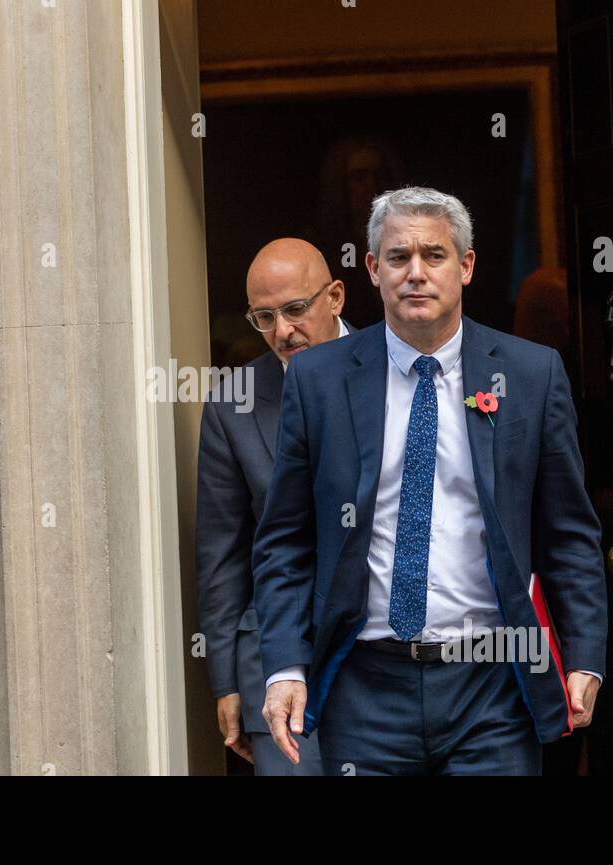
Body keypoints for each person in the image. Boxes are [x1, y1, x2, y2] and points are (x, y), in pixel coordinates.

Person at [254, 188, 607, 775]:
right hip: (365, 688)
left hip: (494, 687)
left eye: (434, 256)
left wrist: (586, 656)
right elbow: (285, 540)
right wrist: (285, 666)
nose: (415, 273)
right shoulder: (318, 380)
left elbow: (568, 531)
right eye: (397, 257)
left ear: (466, 266)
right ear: (372, 269)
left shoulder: (530, 373)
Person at [196, 238, 350, 775]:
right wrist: (226, 680)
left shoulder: (396, 367)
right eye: (264, 317)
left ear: (335, 296)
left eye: (295, 309)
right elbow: (222, 552)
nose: (282, 331)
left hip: (387, 664)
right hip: (272, 668)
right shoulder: (231, 404)